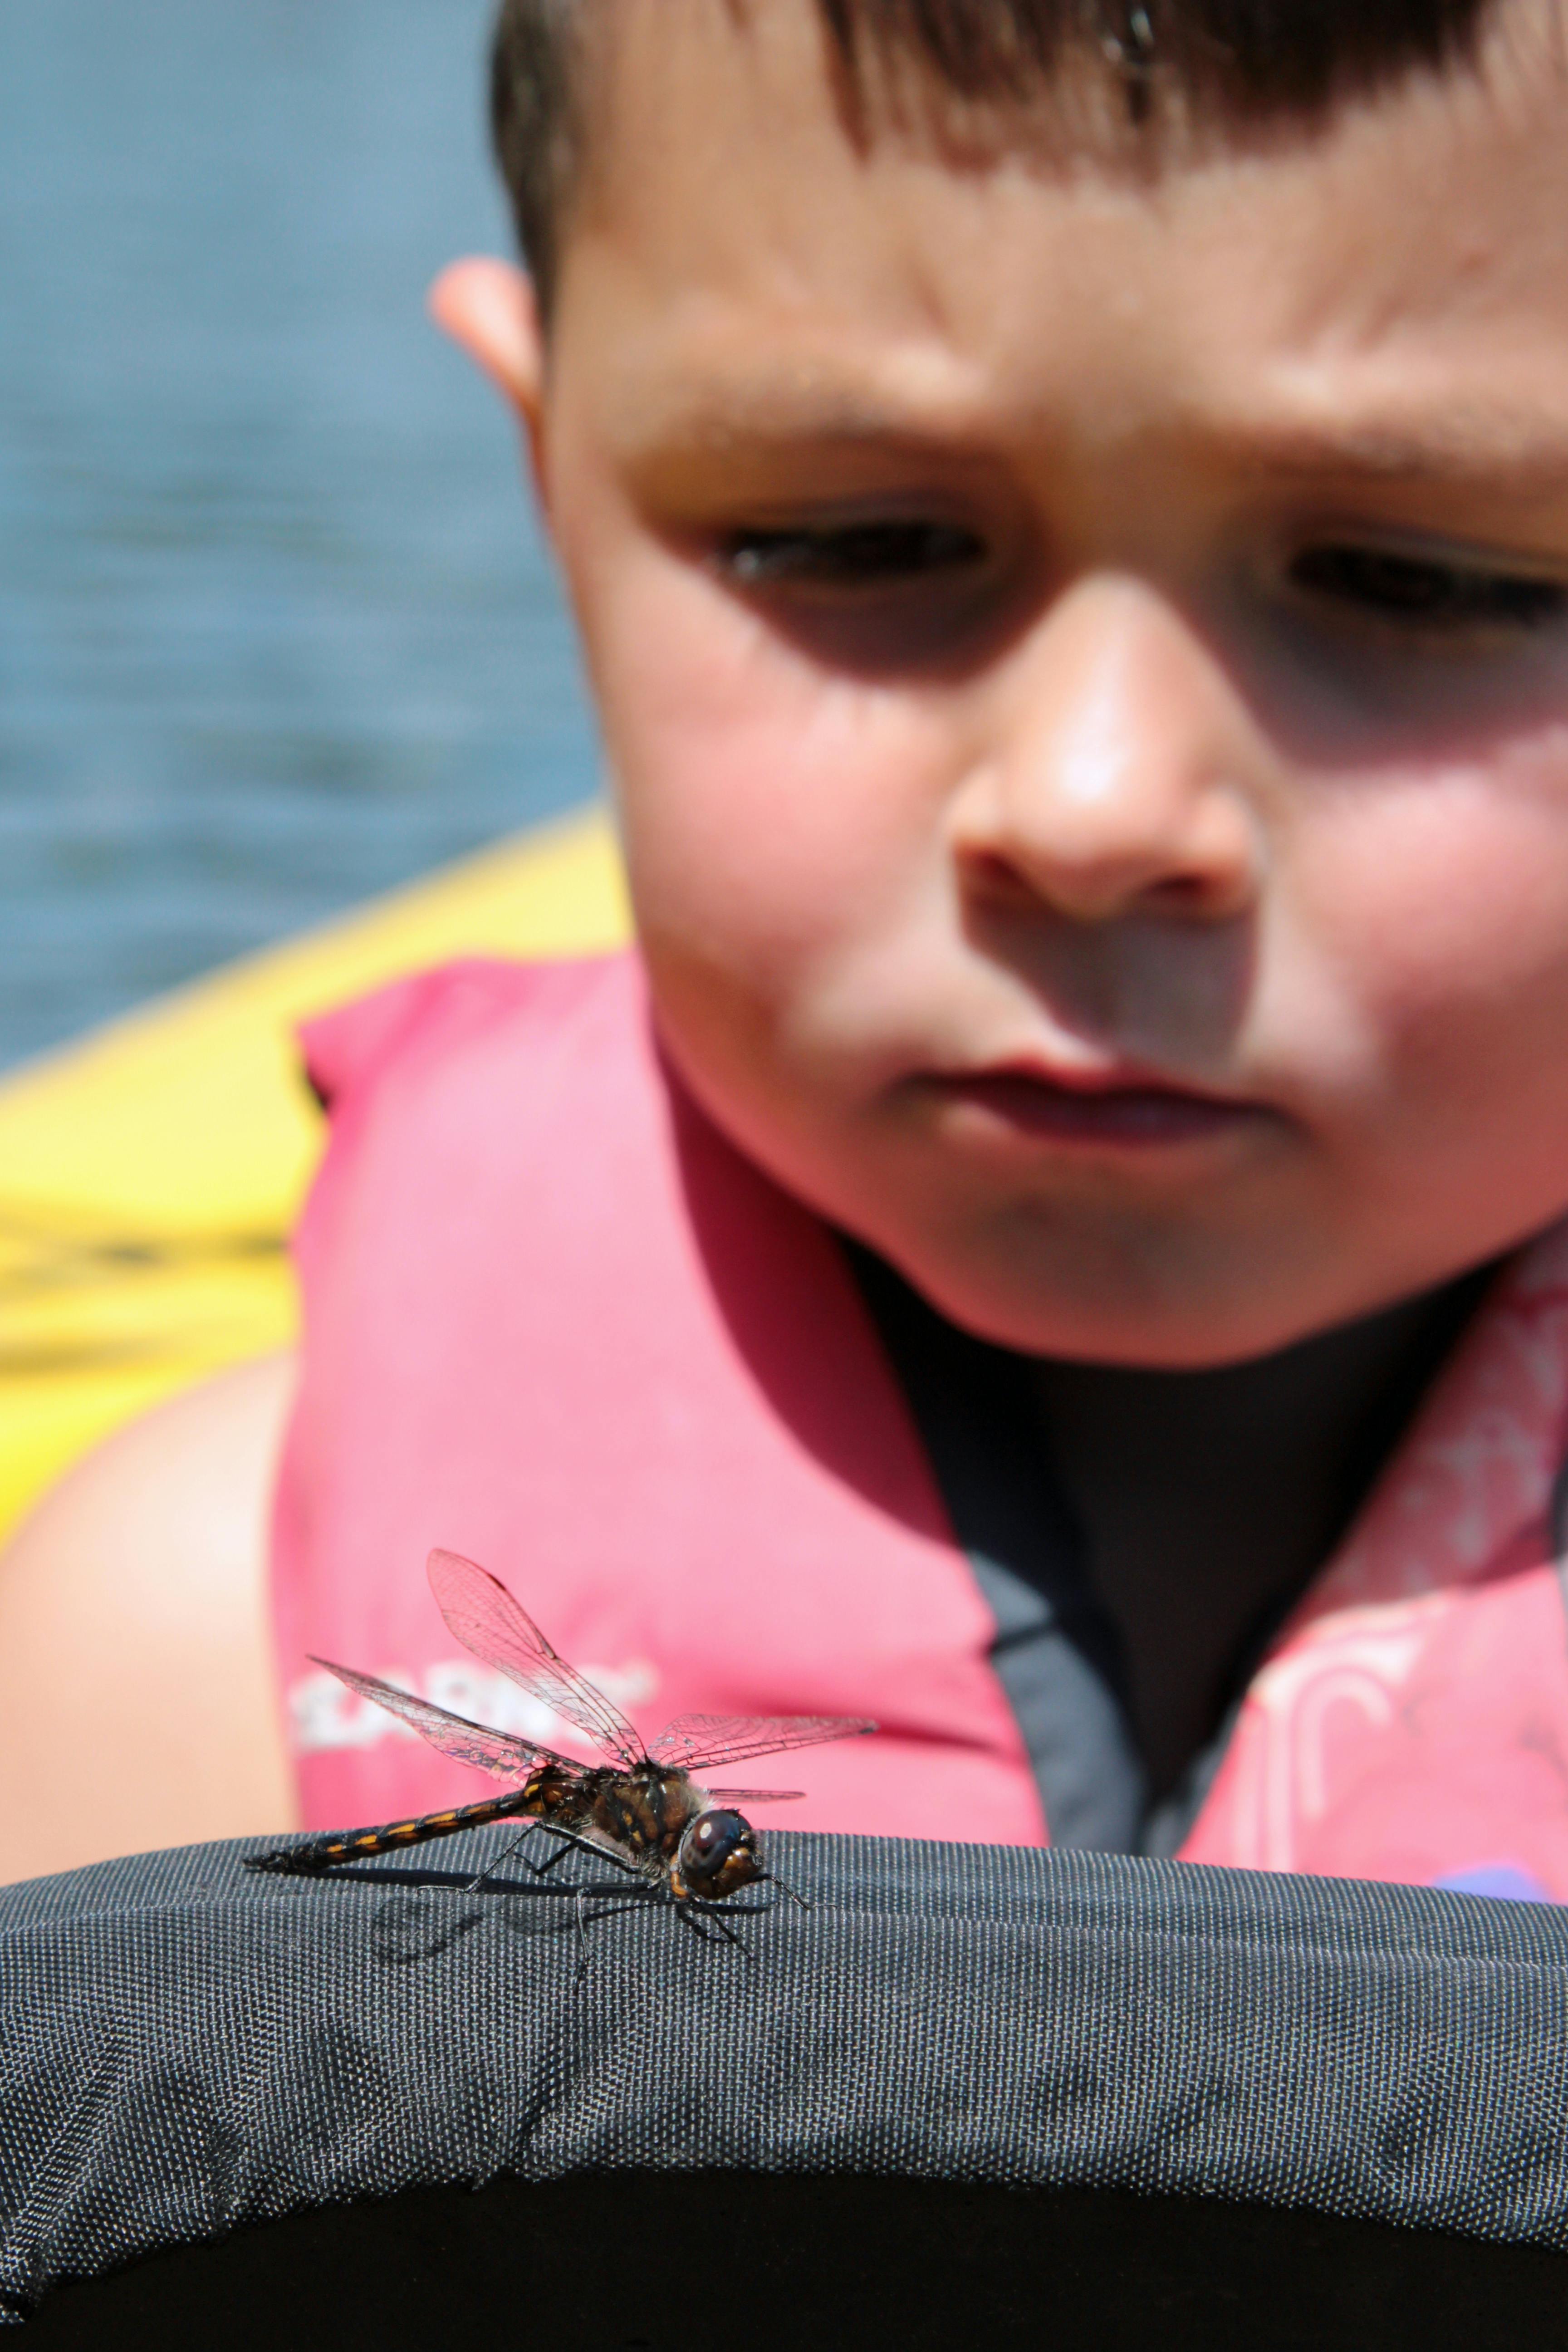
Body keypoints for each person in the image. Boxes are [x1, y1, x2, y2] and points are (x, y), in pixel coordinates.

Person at [4, 0, 1568, 1900]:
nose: (1093, 809)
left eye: (1437, 579)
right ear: (548, 488)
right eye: (854, 542)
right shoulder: (169, 1665)